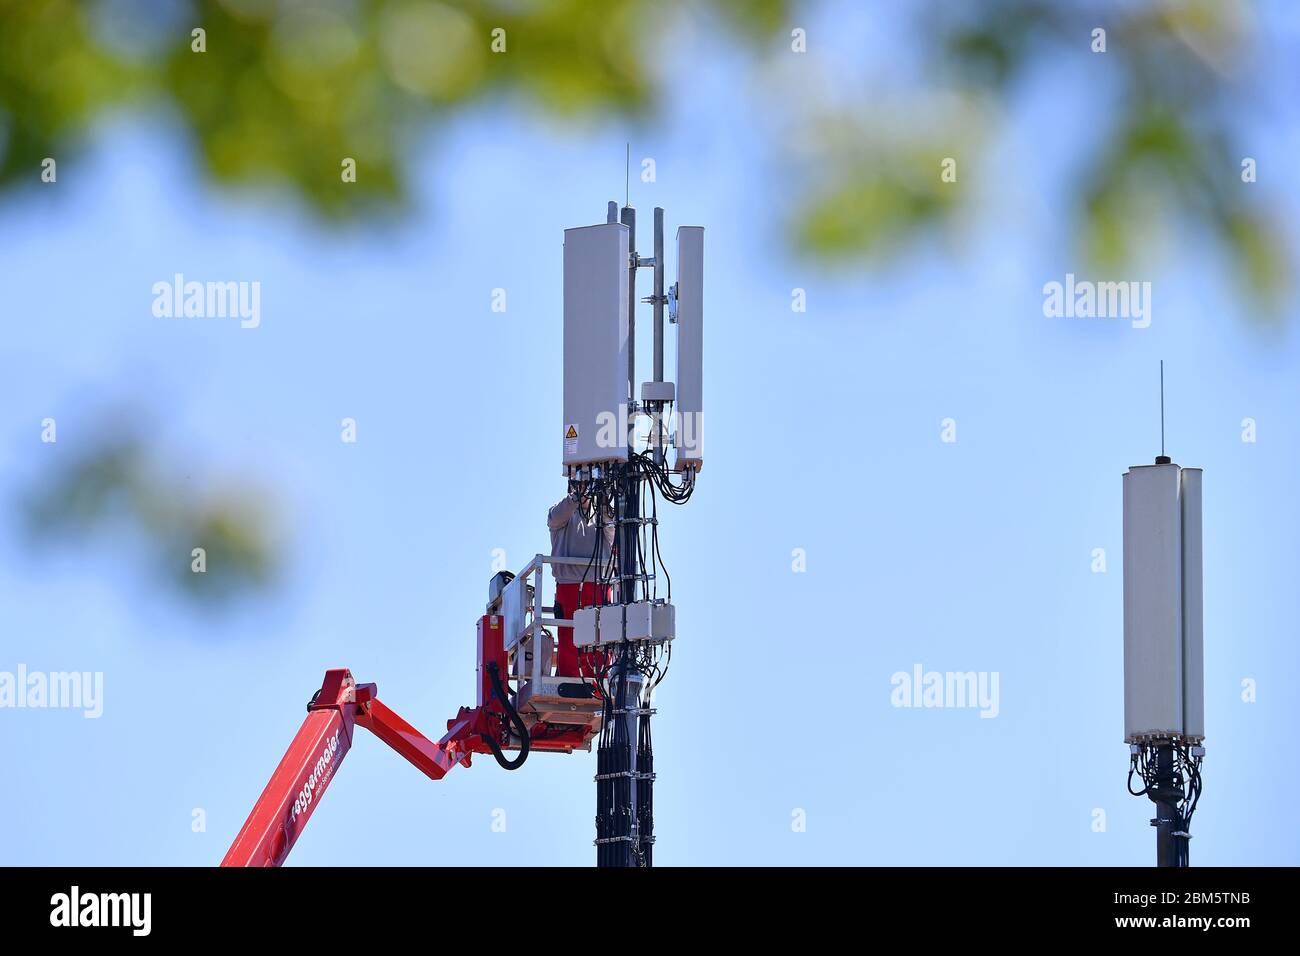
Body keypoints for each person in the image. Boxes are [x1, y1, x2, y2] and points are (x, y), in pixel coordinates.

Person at [548, 486, 615, 677]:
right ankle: (570, 678)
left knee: (600, 640)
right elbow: (555, 518)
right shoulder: (562, 512)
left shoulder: (603, 516)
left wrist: (603, 505)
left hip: (599, 586)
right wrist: (576, 497)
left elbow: (613, 533)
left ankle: (598, 682)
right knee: (570, 640)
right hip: (569, 586)